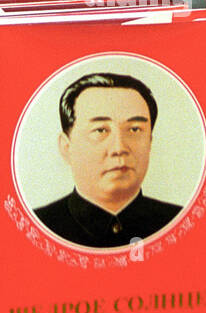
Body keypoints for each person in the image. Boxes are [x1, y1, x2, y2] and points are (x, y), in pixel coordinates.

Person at [34, 72, 182, 249]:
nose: (119, 148)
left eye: (134, 130)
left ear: (150, 141)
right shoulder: (39, 226)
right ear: (66, 147)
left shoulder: (179, 222)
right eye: (100, 130)